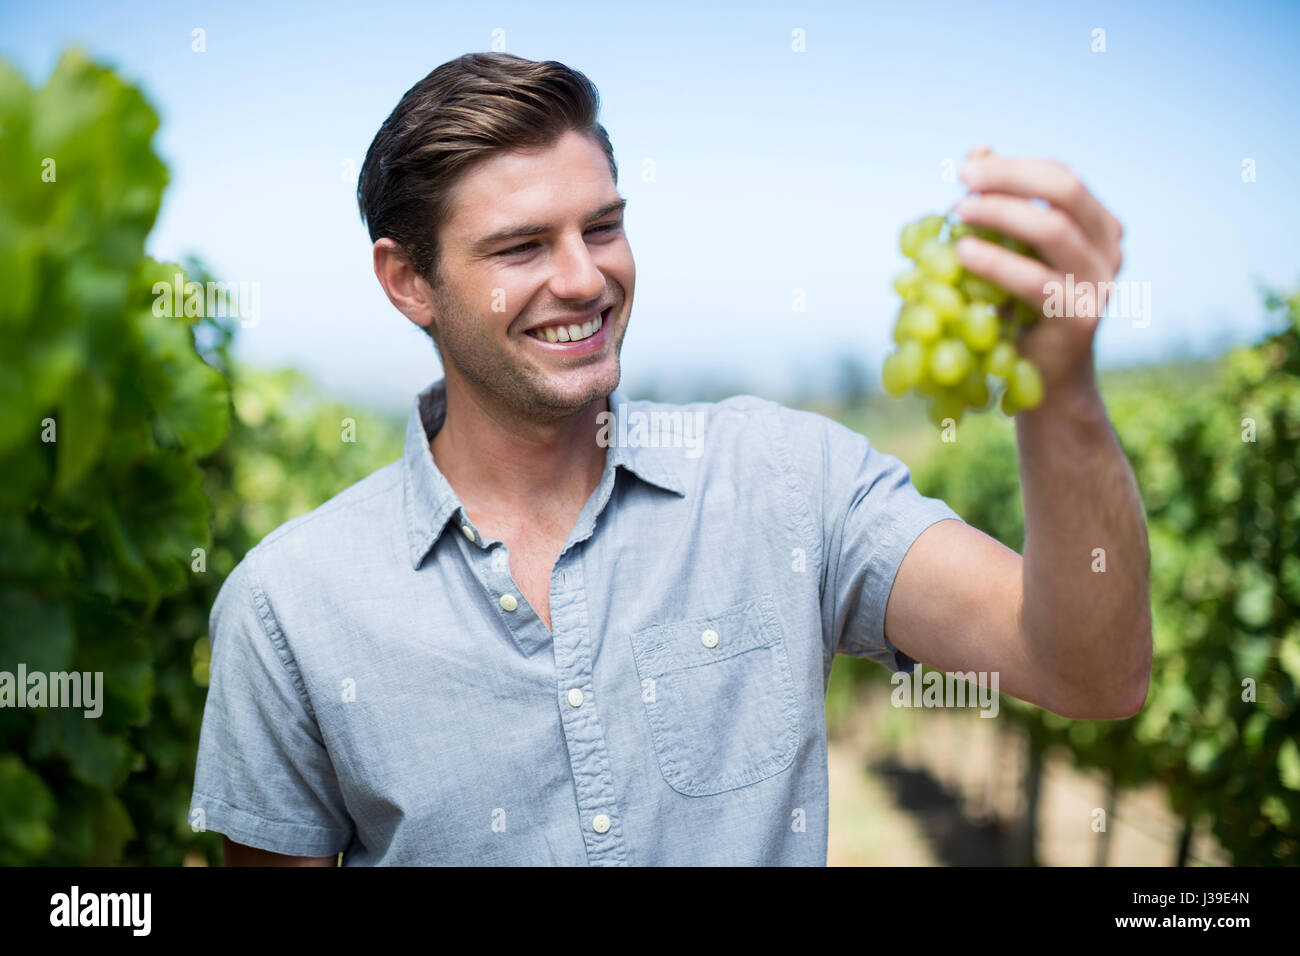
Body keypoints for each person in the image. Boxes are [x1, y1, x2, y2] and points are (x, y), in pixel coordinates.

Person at [190, 52, 1151, 866]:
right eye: (522, 246)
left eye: (602, 227)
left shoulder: (788, 479)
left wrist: (1061, 392)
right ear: (408, 282)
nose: (584, 277)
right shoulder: (288, 612)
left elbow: (1090, 673)